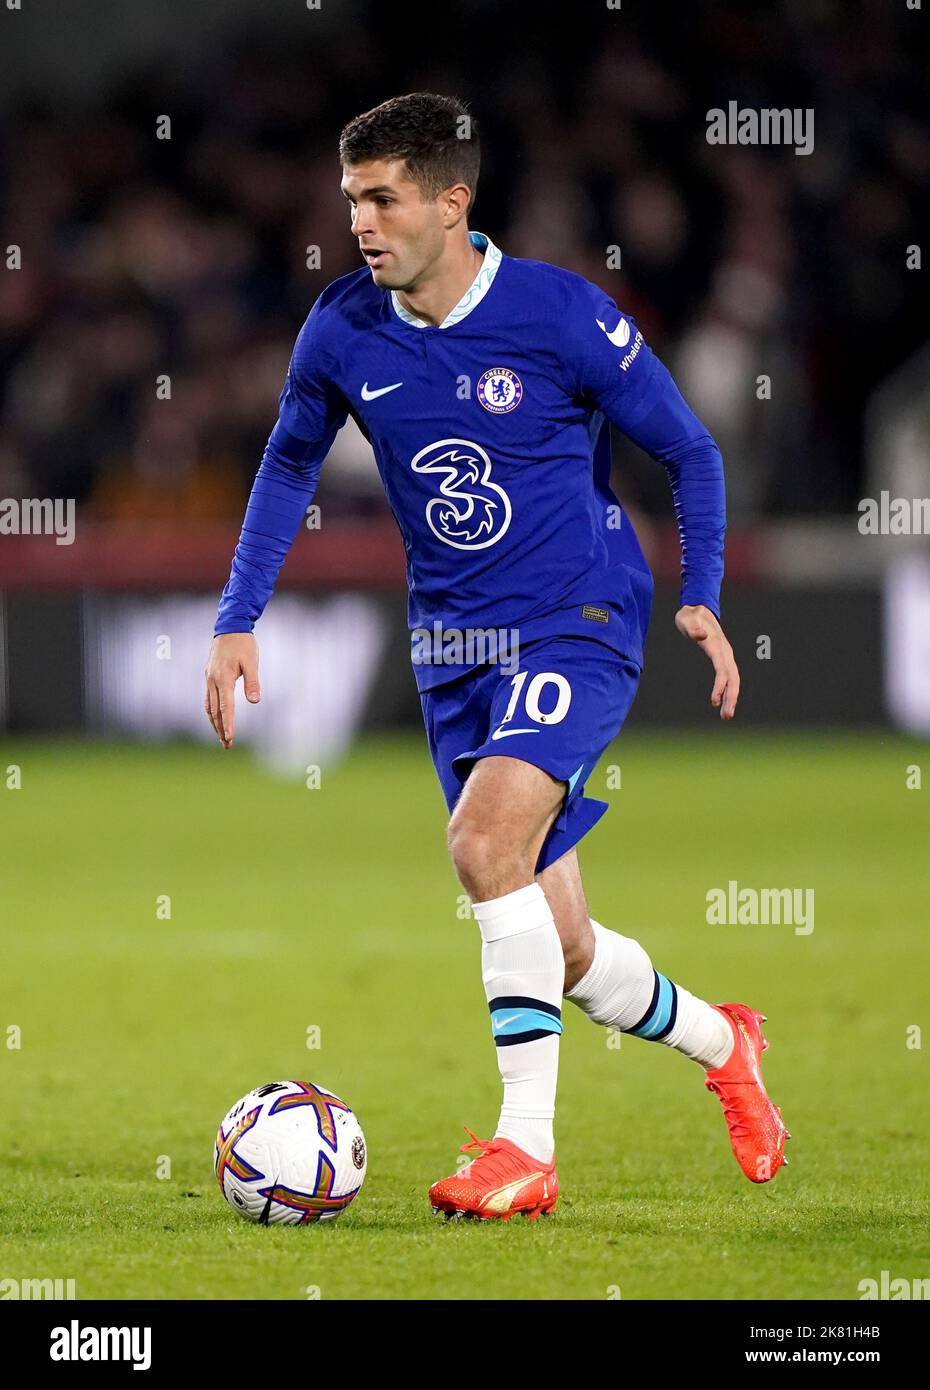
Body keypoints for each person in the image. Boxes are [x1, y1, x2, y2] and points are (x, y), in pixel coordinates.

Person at [205, 92, 789, 1222]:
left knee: (481, 843)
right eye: (352, 200)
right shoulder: (342, 328)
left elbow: (690, 450)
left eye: (383, 199)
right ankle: (727, 1043)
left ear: (451, 202)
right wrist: (239, 615)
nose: (361, 223)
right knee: (558, 946)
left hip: (581, 617)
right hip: (454, 650)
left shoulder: (560, 315)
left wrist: (702, 595)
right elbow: (286, 464)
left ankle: (526, 1151)